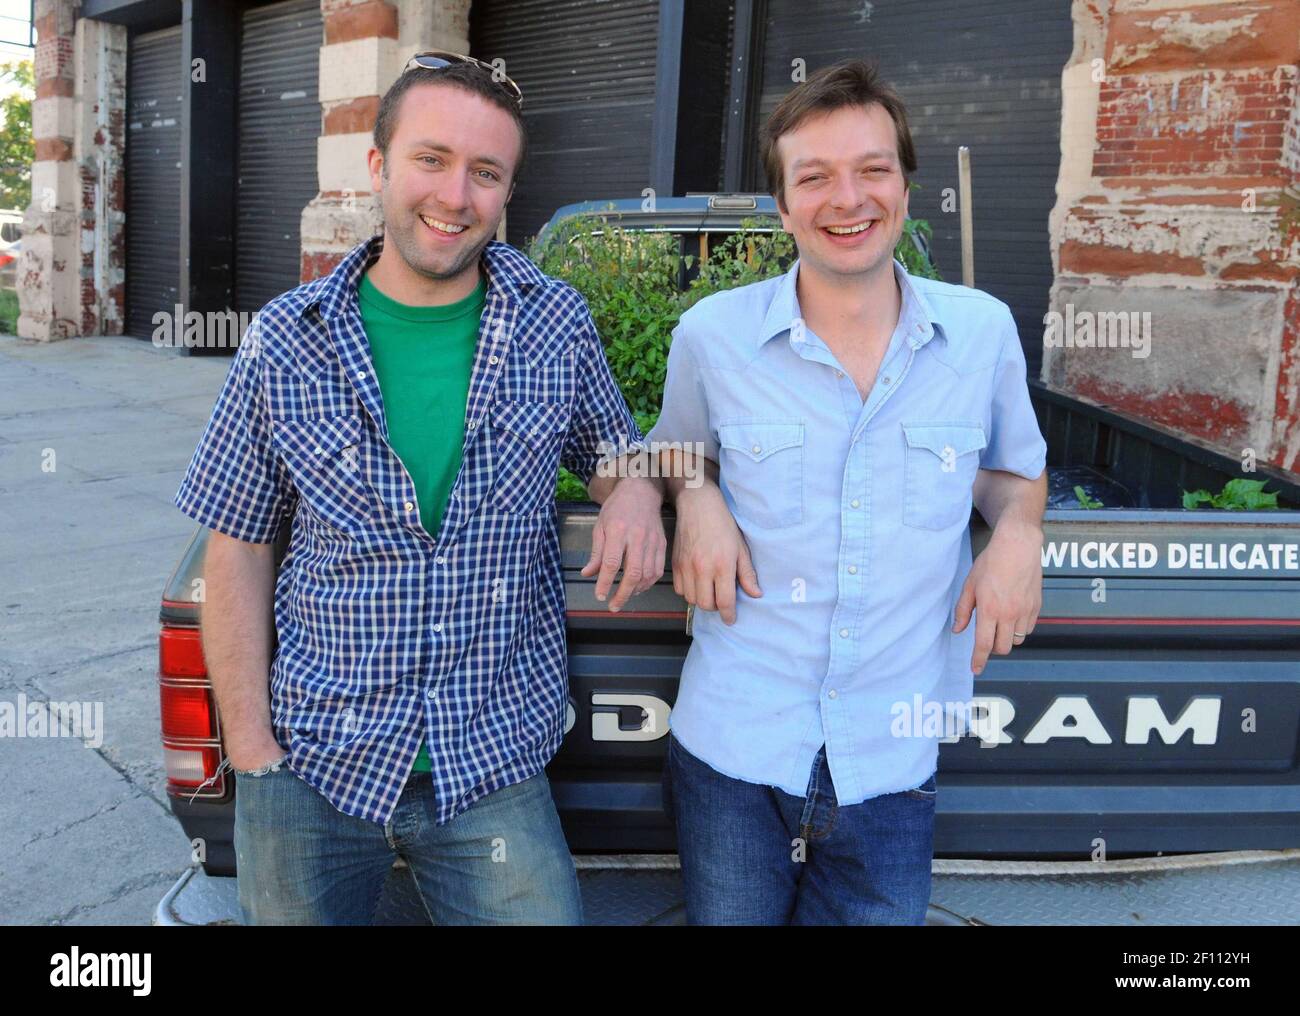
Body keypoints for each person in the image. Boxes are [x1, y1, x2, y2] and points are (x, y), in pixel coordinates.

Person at [174, 53, 664, 925]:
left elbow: (618, 453)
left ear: (507, 191)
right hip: (312, 763)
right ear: (380, 166)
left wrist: (633, 490)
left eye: (486, 173)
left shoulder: (554, 323)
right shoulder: (287, 338)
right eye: (431, 160)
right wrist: (253, 755)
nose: (455, 196)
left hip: (492, 764)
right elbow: (237, 543)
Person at [647, 59, 1049, 925]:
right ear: (783, 205)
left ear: (905, 186)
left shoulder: (981, 334)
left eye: (873, 169)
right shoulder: (712, 337)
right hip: (733, 753)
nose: (848, 199)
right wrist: (698, 494)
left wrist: (1020, 535)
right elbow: (674, 448)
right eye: (815, 176)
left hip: (892, 763)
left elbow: (1016, 473)